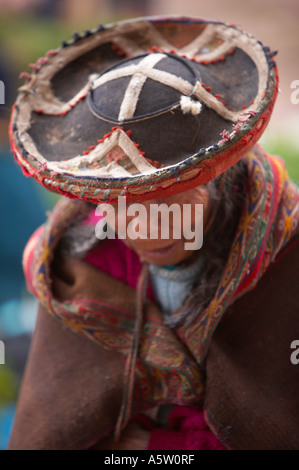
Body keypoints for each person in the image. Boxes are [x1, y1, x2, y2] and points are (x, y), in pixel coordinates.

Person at [7, 16, 299, 450]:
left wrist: (157, 446)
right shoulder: (81, 261)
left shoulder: (283, 256)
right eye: (122, 205)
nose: (146, 228)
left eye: (170, 199)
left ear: (217, 179)